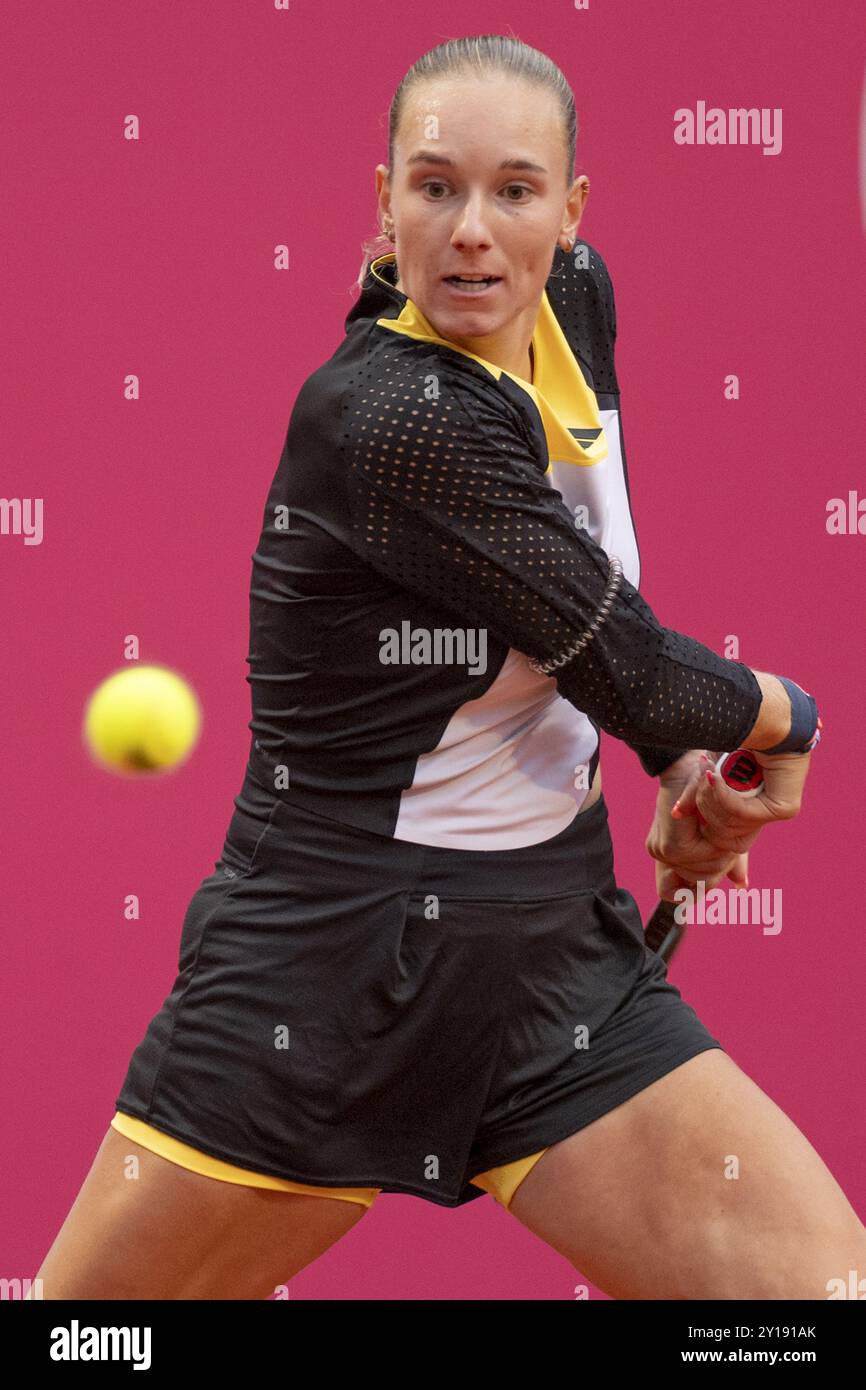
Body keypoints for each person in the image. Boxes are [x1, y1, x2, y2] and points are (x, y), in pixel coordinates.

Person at [32, 34, 863, 1301]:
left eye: (515, 191)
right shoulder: (394, 417)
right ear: (384, 206)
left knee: (810, 1301)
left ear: (570, 214)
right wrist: (783, 718)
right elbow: (631, 661)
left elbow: (586, 599)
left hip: (551, 960)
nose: (473, 231)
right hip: (325, 972)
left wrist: (681, 760)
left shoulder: (573, 303)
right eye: (434, 189)